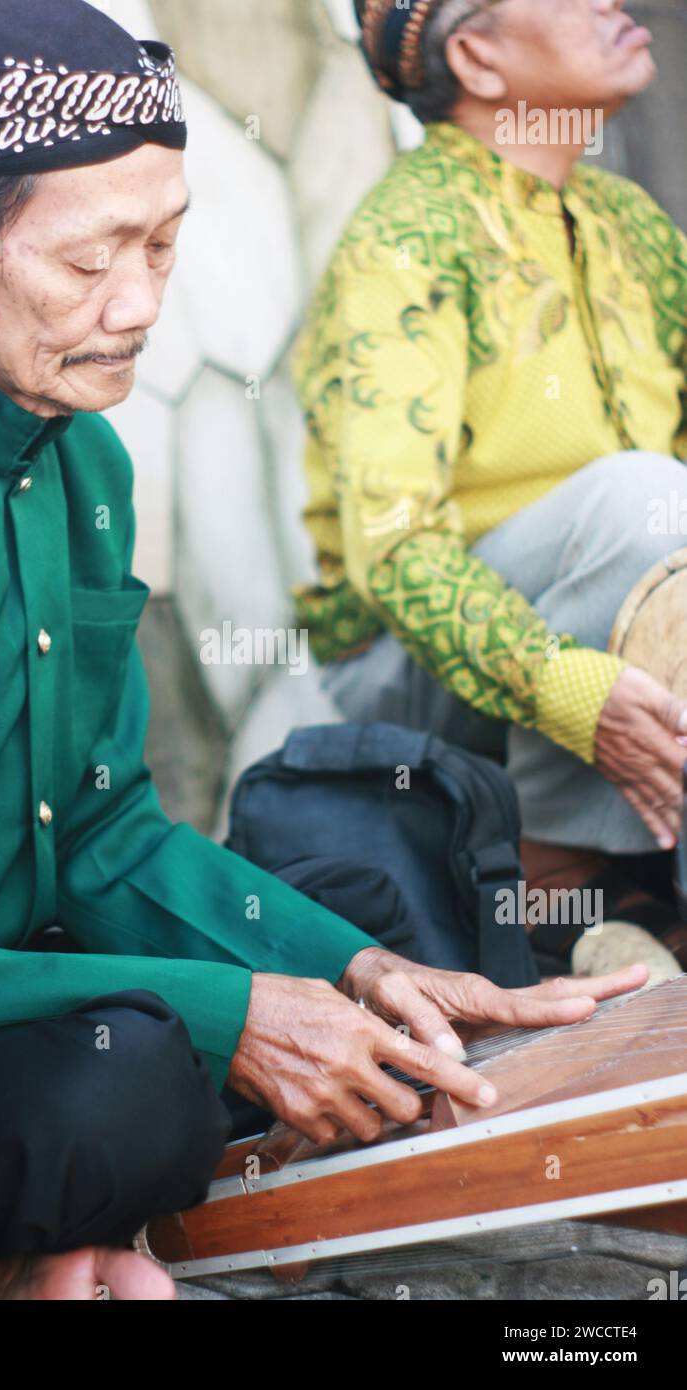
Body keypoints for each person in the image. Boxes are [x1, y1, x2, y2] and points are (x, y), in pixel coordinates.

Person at [0, 0, 644, 1302]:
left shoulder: (83, 458)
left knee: (389, 962)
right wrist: (238, 1014)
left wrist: (350, 970)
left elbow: (102, 834)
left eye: (162, 244)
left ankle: (49, 1253)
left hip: (17, 1014)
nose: (140, 304)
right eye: (91, 262)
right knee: (135, 1074)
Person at [294, 0, 687, 967]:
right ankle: (563, 889)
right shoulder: (406, 236)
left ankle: (639, 897)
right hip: (404, 668)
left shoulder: (625, 222)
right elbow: (396, 551)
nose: (611, 5)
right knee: (641, 502)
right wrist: (567, 688)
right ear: (474, 55)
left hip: (618, 600)